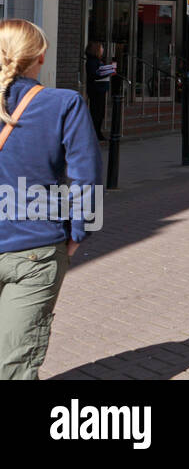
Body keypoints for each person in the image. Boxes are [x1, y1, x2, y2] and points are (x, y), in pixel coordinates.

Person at [0, 19, 103, 379]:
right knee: (13, 364)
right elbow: (86, 179)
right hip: (35, 245)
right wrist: (79, 233)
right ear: (40, 56)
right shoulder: (65, 103)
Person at [83, 41, 113, 141]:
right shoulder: (92, 62)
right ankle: (95, 133)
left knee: (100, 112)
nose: (102, 50)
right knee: (97, 112)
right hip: (96, 90)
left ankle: (97, 132)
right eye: (101, 48)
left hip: (100, 89)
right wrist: (108, 71)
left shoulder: (96, 61)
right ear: (96, 50)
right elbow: (94, 75)